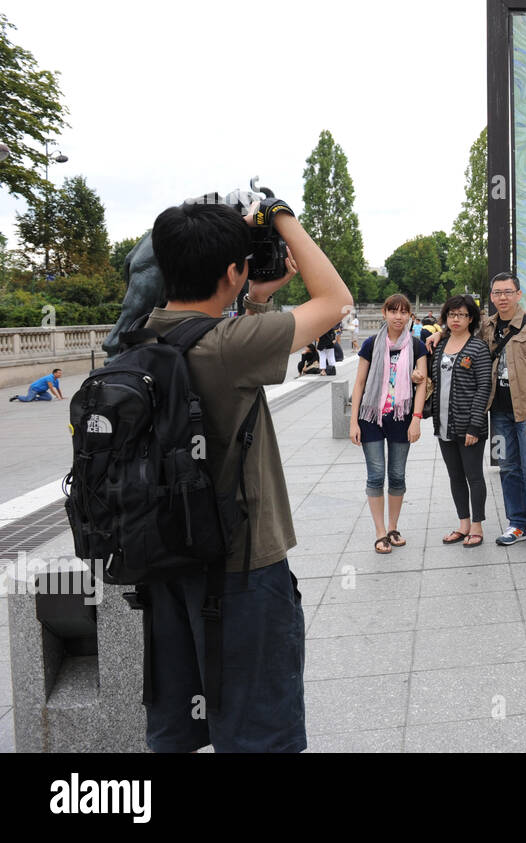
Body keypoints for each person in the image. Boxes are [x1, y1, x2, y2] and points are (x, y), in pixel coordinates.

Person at [142, 194, 352, 753]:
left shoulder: (142, 338)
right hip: (242, 569)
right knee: (261, 735)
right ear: (232, 271)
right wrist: (279, 213)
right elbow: (335, 301)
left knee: (182, 730)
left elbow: (219, 338)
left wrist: (253, 296)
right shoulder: (228, 347)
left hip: (165, 567)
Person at [481, 273, 526, 550]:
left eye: (508, 292)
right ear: (491, 296)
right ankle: (517, 523)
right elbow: (463, 339)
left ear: (519, 294)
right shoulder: (487, 327)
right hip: (498, 412)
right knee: (507, 468)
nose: (503, 297)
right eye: (497, 292)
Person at [349, 294, 427, 554]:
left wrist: (416, 420)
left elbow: (423, 383)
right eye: (393, 311)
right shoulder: (371, 344)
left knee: (396, 475)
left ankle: (393, 528)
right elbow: (359, 384)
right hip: (371, 417)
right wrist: (353, 423)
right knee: (375, 475)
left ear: (409, 316)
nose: (398, 316)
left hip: (401, 417)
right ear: (384, 313)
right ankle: (380, 532)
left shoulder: (416, 346)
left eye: (403, 312)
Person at [429, 295, 492, 549]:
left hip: (470, 427)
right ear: (445, 317)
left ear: (471, 319)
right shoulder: (440, 344)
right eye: (452, 314)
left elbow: (483, 387)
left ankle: (477, 526)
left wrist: (475, 425)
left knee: (474, 475)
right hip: (445, 424)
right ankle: (463, 524)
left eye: (462, 315)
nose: (456, 319)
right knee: (455, 476)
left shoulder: (478, 348)